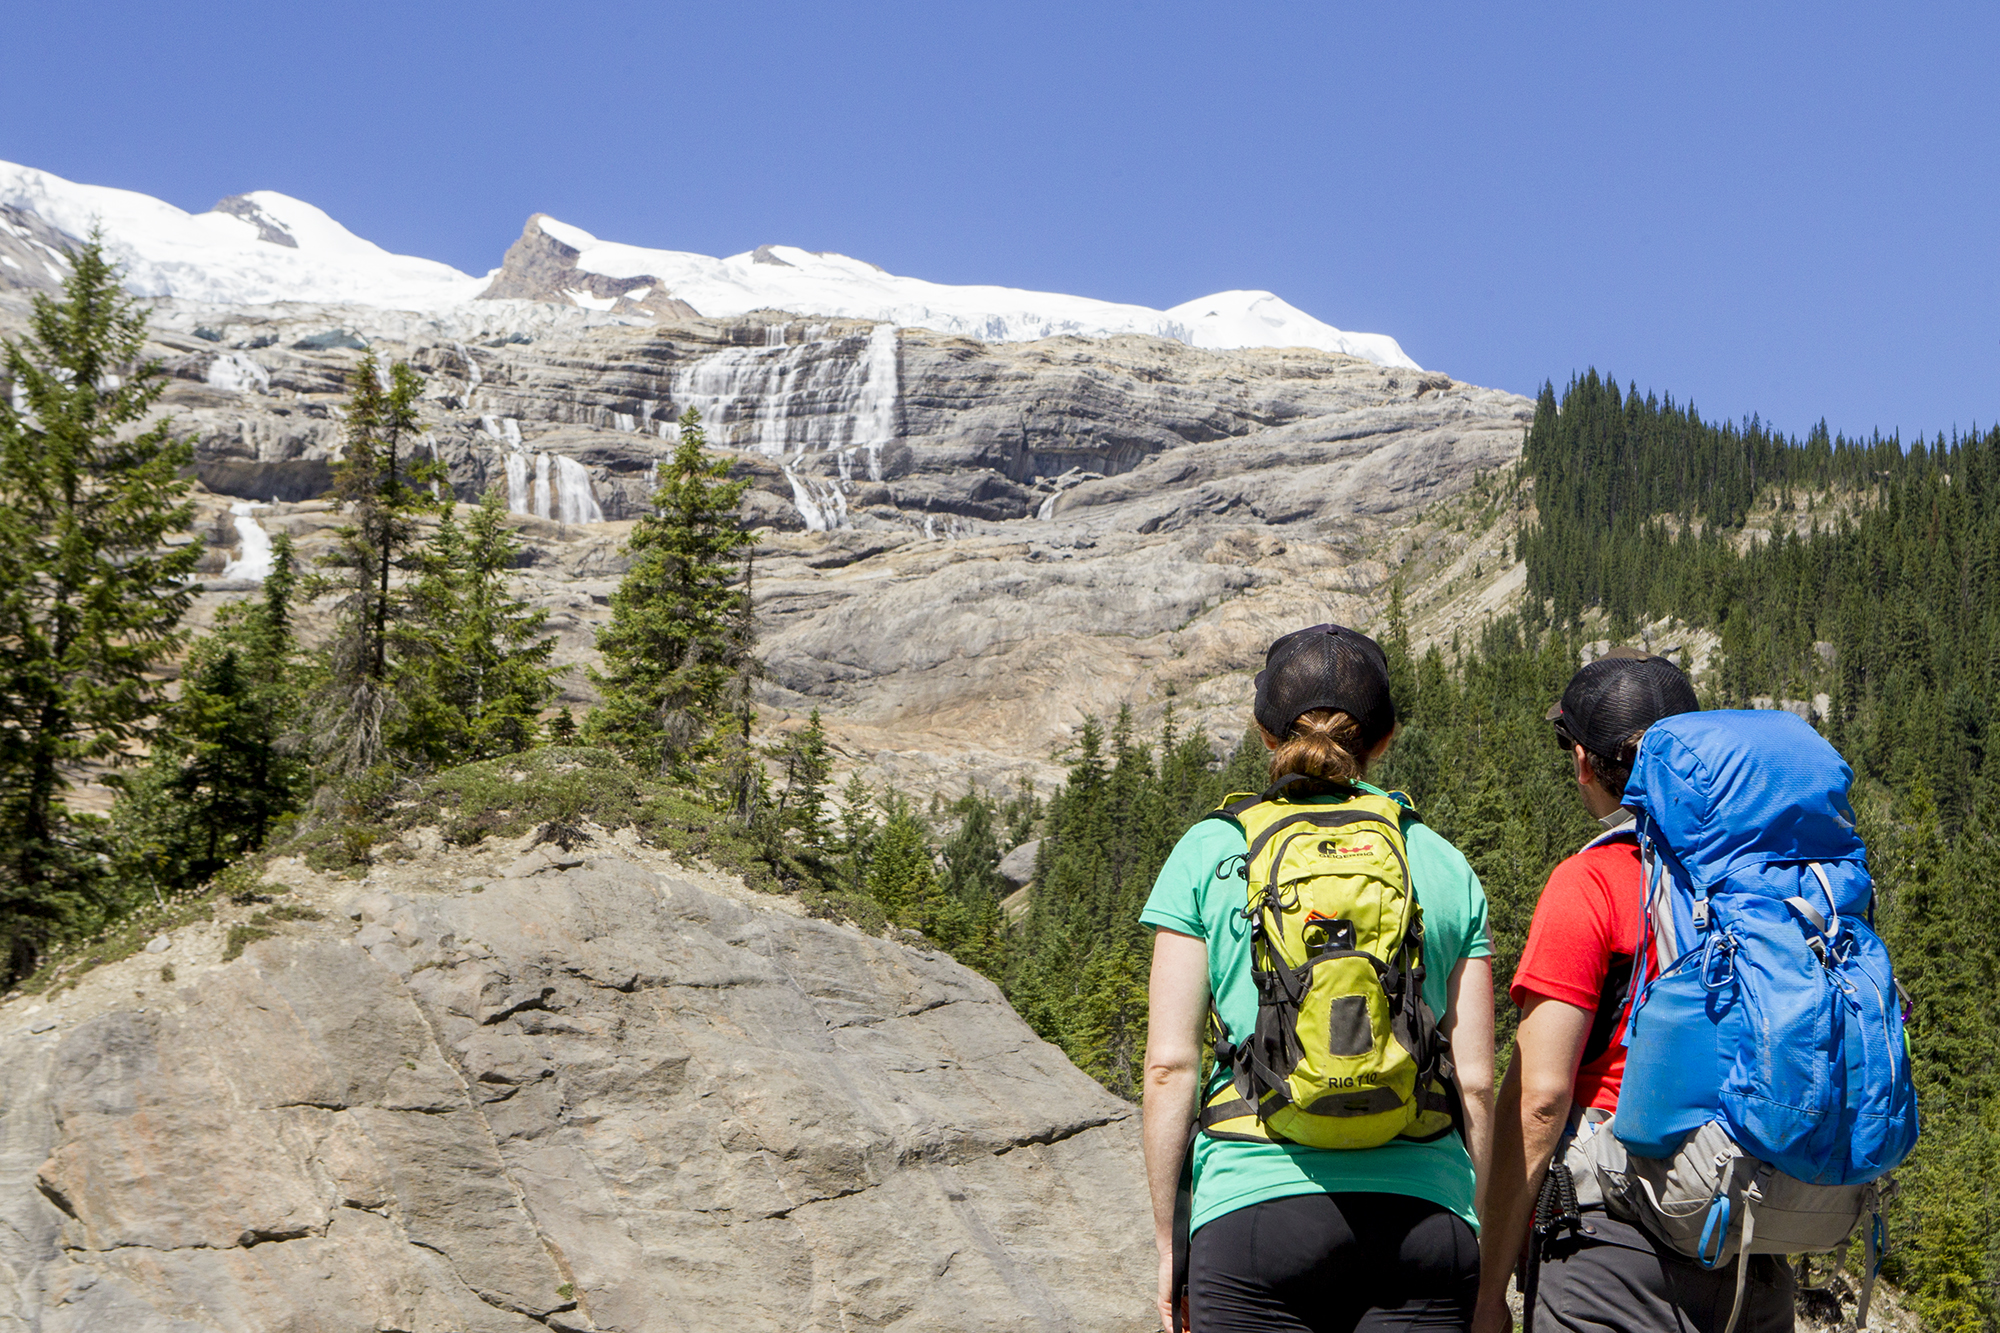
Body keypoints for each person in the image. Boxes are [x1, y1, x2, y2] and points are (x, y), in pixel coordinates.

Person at [1142, 623, 1496, 1333]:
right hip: (1423, 1219)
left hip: (1251, 1211)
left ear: (1264, 732)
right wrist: (1476, 1226)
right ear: (1386, 738)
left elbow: (1168, 1067)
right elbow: (1479, 1084)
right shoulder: (1438, 859)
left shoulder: (1211, 849)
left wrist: (1168, 1242)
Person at [1470, 651, 1794, 1333]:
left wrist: (1489, 1286)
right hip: (1751, 1242)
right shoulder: (1769, 879)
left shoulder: (1590, 883)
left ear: (1584, 762)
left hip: (1612, 1251)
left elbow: (1540, 1100)